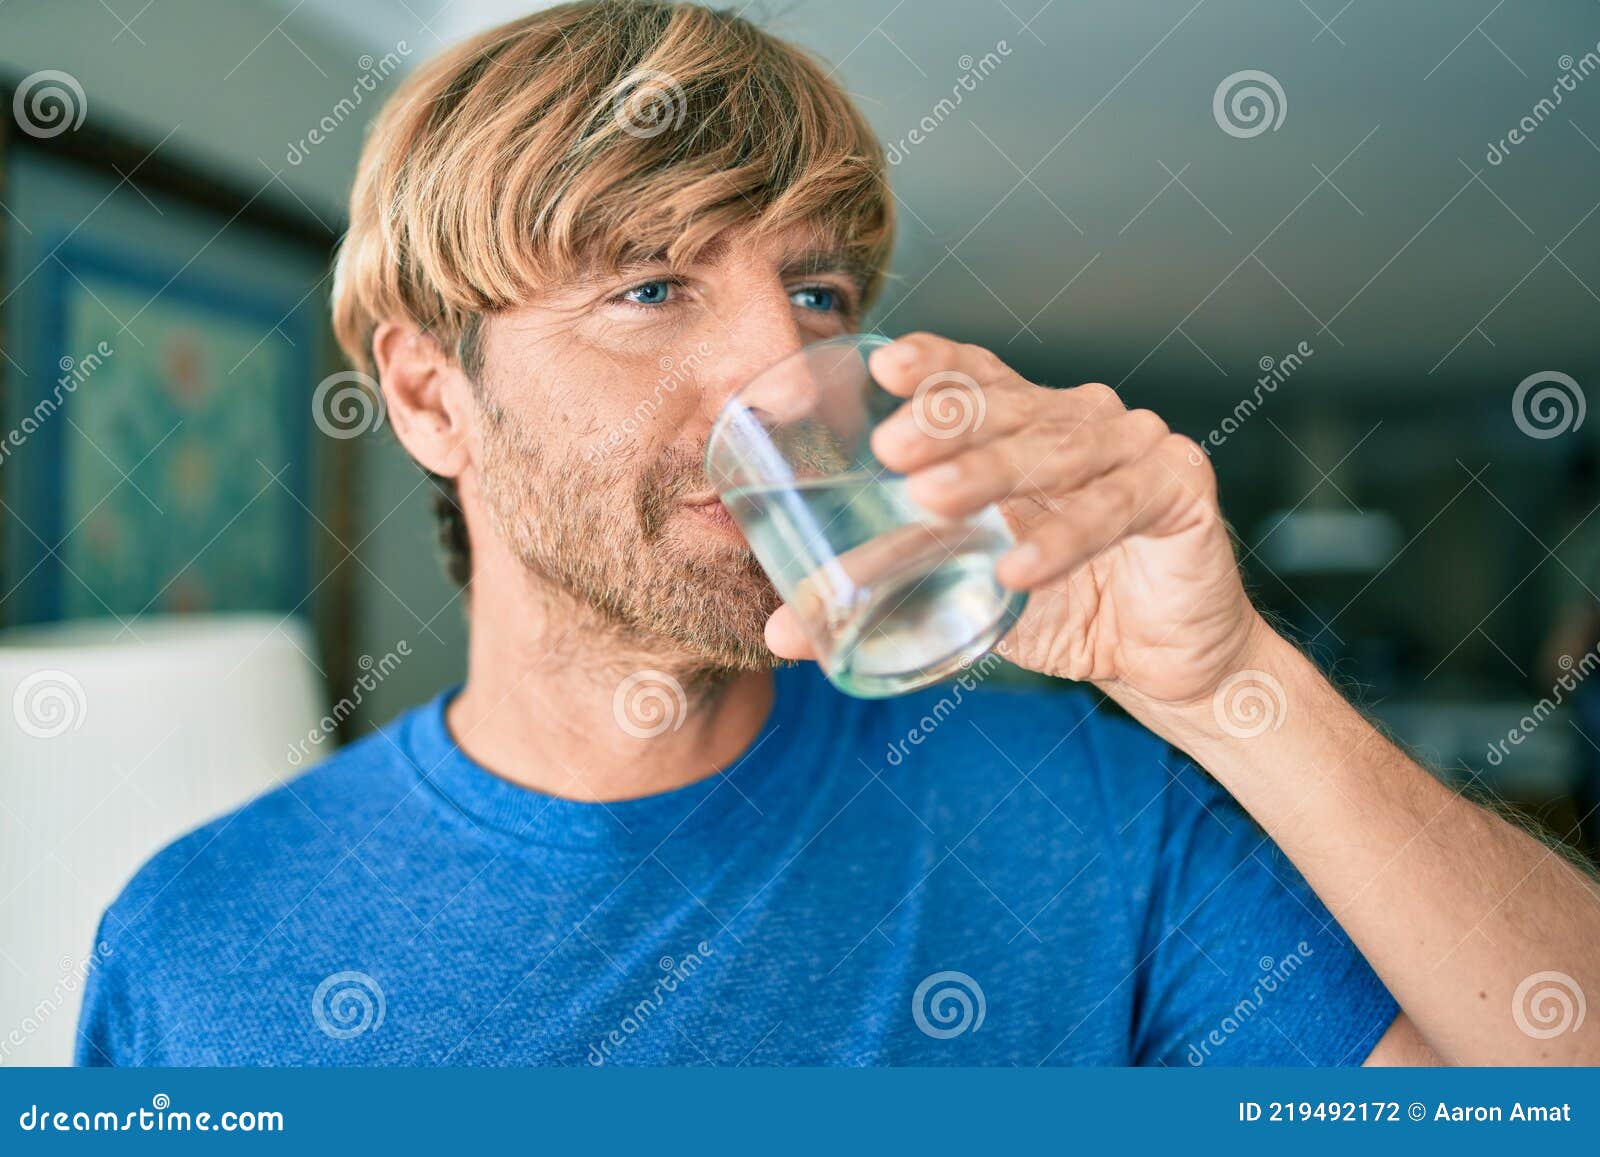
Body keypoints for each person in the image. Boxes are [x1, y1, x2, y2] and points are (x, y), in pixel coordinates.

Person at [77, 0, 1598, 1067]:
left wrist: (1228, 688)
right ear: (427, 393)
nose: (781, 370)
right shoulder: (200, 939)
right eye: (652, 285)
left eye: (816, 296)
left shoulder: (1090, 816)